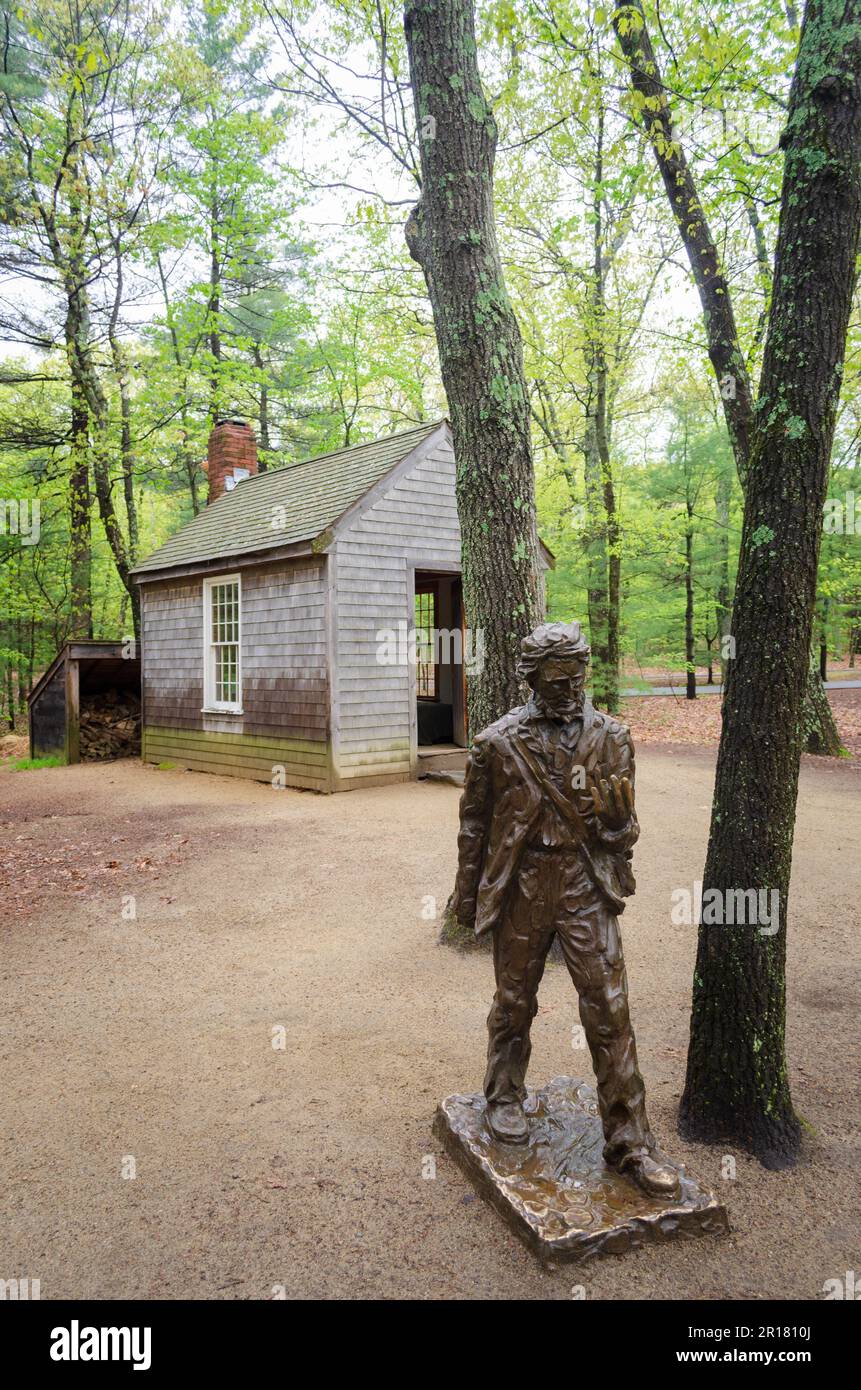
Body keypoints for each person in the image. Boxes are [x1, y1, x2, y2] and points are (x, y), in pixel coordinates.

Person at [451, 620, 680, 1198]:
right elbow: (474, 825)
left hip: (584, 883)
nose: (571, 689)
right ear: (532, 679)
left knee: (609, 1006)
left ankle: (630, 1142)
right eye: (558, 680)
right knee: (513, 999)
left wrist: (618, 824)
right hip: (524, 884)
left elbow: (624, 834)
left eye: (578, 677)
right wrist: (467, 893)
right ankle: (503, 1095)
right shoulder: (496, 743)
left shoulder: (612, 738)